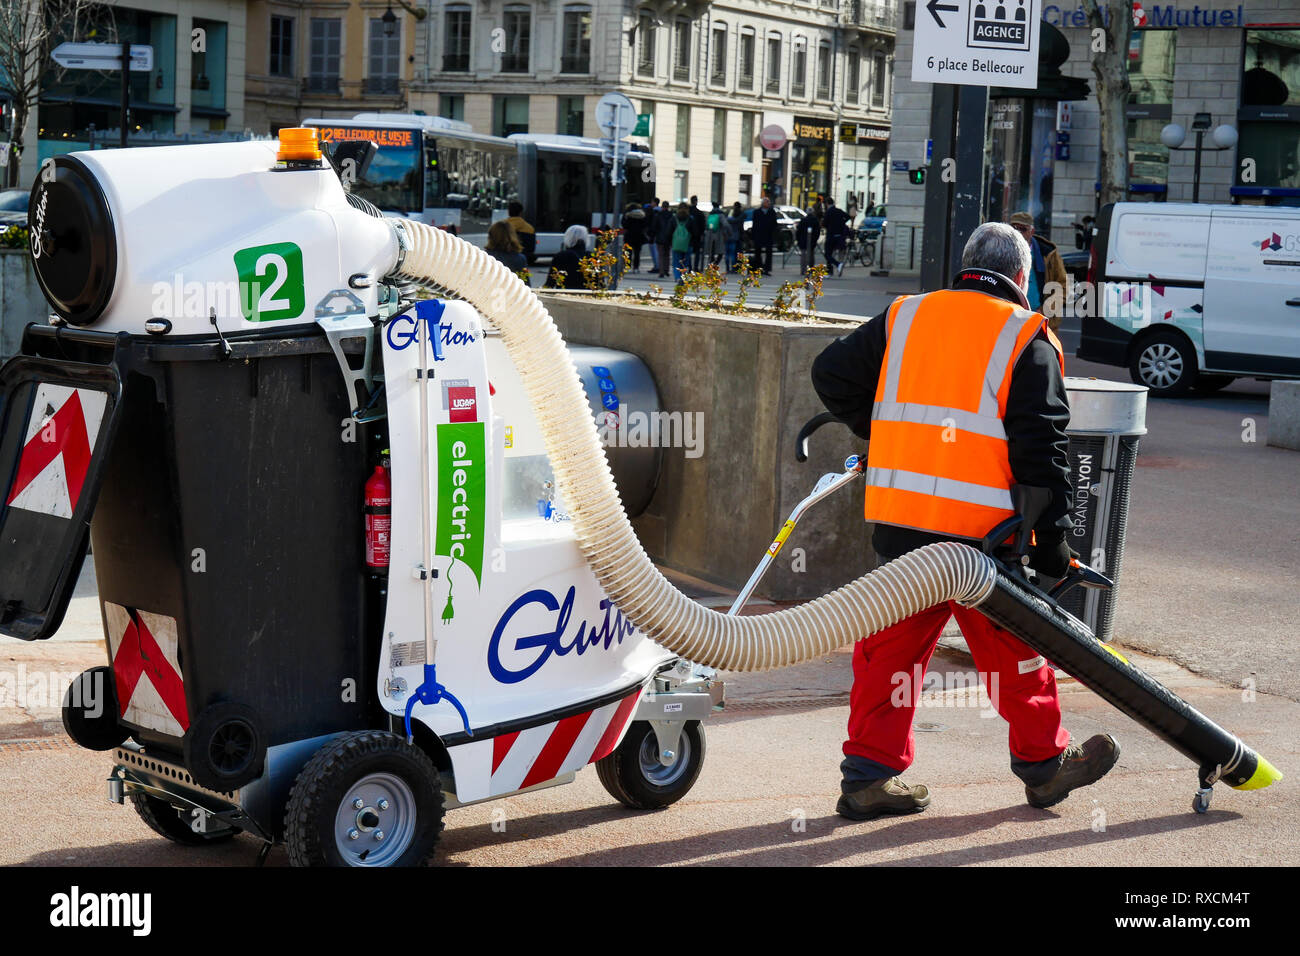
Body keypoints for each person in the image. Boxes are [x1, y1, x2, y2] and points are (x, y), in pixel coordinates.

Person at [809, 222, 1120, 822]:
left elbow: (831, 374)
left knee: (888, 654)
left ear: (967, 262)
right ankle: (1044, 765)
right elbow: (1041, 448)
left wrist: (882, 431)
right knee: (1016, 651)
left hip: (904, 526)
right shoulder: (1026, 334)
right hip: (983, 540)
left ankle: (868, 778)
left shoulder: (905, 315)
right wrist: (1052, 541)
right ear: (1022, 276)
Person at [1008, 211, 1068, 330]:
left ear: (1032, 232)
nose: (1018, 233)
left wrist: (1045, 309)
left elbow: (1064, 286)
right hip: (1010, 317)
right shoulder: (1002, 250)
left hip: (1039, 320)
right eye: (1014, 228)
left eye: (1023, 229)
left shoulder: (1048, 254)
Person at [544, 224, 591, 290]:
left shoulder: (561, 256)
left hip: (564, 293)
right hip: (588, 295)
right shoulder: (592, 257)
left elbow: (550, 283)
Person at [823, 198, 850, 277]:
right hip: (839, 235)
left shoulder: (828, 212)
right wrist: (841, 223)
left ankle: (836, 266)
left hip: (831, 234)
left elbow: (824, 223)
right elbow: (848, 216)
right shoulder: (839, 210)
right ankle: (830, 271)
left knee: (827, 254)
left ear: (827, 204)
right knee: (832, 253)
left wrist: (828, 225)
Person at [751, 196, 778, 276]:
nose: (768, 204)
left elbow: (774, 224)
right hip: (759, 234)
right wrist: (753, 236)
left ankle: (767, 269)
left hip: (768, 235)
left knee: (769, 253)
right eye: (766, 202)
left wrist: (774, 233)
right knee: (757, 252)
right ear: (762, 203)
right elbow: (754, 224)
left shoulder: (772, 212)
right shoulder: (757, 212)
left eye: (768, 202)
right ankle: (759, 268)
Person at [669, 202, 693, 283]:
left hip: (676, 243)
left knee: (676, 262)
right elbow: (695, 232)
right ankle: (684, 277)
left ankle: (677, 277)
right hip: (688, 243)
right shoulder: (690, 219)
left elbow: (669, 231)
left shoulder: (674, 218)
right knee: (685, 262)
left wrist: (669, 241)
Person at [622, 202, 647, 273]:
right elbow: (645, 224)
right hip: (639, 236)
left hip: (629, 236)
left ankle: (628, 267)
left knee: (628, 252)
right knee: (637, 253)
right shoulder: (642, 215)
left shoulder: (627, 215)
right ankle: (636, 267)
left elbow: (624, 224)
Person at [795, 205, 821, 276]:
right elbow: (817, 231)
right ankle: (811, 269)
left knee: (803, 255)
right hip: (812, 240)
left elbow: (798, 231)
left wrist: (798, 239)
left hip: (803, 240)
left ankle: (803, 270)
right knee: (811, 255)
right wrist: (815, 239)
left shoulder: (803, 220)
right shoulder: (815, 220)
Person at [655, 200, 674, 278]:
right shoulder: (671, 215)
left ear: (662, 206)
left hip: (660, 237)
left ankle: (661, 271)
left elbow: (655, 226)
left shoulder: (658, 215)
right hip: (669, 238)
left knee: (661, 255)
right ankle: (666, 270)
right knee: (667, 254)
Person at [688, 196, 706, 271]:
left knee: (688, 252)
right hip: (697, 235)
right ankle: (695, 267)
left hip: (689, 235)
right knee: (697, 252)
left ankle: (689, 267)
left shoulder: (688, 212)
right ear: (696, 201)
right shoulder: (699, 213)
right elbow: (703, 225)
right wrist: (701, 233)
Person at [726, 202, 745, 272]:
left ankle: (729, 268)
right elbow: (740, 225)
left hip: (730, 236)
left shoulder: (731, 214)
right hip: (737, 235)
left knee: (730, 253)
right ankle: (737, 267)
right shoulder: (740, 215)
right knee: (737, 252)